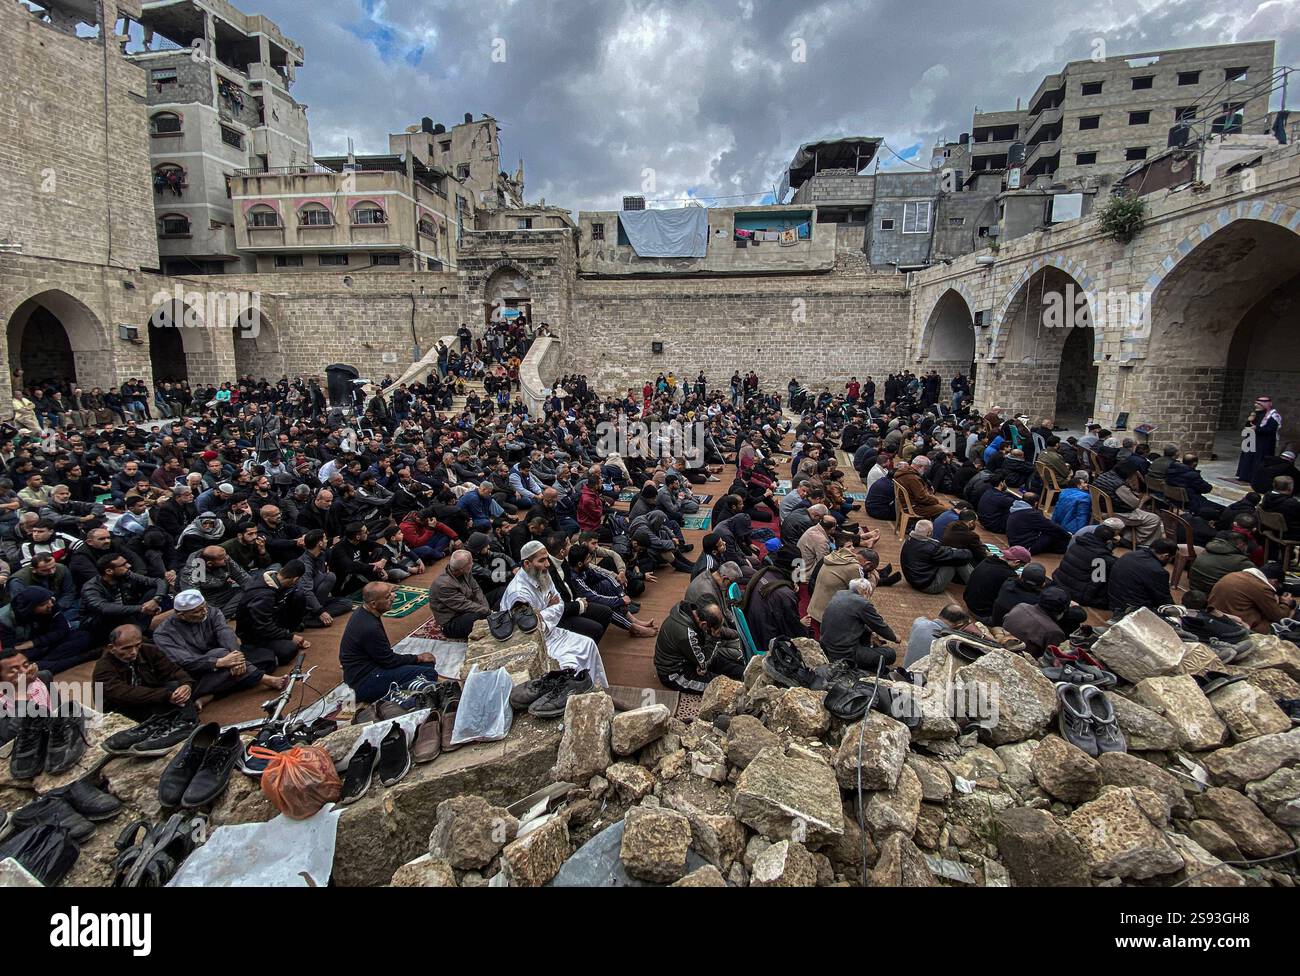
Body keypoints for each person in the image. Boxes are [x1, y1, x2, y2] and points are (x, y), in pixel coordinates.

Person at [498, 541, 609, 686]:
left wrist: (544, 610)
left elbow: (560, 603)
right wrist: (547, 608)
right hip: (536, 640)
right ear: (527, 564)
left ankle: (593, 687)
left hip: (551, 630)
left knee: (588, 644)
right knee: (570, 664)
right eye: (542, 560)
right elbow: (532, 625)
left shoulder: (543, 574)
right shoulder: (519, 593)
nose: (547, 564)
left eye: (547, 559)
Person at [153, 590, 285, 701]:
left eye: (204, 607)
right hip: (196, 671)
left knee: (268, 659)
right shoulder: (163, 634)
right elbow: (184, 660)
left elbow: (225, 633)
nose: (204, 612)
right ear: (181, 615)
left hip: (225, 660)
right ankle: (265, 679)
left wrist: (236, 656)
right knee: (218, 654)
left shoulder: (211, 612)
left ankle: (211, 695)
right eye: (197, 612)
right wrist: (218, 662)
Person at [339, 581, 439, 702]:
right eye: (387, 596)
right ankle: (399, 700)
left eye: (391, 593)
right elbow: (389, 661)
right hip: (365, 681)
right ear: (374, 604)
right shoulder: (370, 627)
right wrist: (418, 658)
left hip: (369, 669)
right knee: (429, 673)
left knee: (426, 665)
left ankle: (402, 690)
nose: (393, 596)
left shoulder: (363, 612)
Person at [93, 624, 196, 721]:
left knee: (177, 689)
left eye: (137, 645)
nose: (133, 652)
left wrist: (186, 685)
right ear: (112, 648)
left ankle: (191, 723)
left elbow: (173, 670)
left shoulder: (149, 651)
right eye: (126, 648)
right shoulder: (103, 668)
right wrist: (165, 695)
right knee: (167, 703)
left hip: (148, 696)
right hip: (119, 707)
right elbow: (124, 694)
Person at [653, 597, 743, 693]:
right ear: (704, 625)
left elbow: (705, 661)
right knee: (724, 686)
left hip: (689, 660)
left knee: (722, 663)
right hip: (675, 674)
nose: (719, 631)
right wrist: (715, 637)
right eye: (717, 629)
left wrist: (701, 664)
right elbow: (704, 663)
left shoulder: (692, 613)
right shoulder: (687, 634)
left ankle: (747, 673)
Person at [0, 585, 96, 674]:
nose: (50, 605)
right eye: (44, 604)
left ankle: (49, 662)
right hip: (27, 653)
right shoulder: (4, 620)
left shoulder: (50, 605)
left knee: (83, 636)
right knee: (31, 665)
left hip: (42, 643)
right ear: (31, 607)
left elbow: (63, 630)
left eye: (50, 600)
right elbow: (11, 652)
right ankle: (75, 659)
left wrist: (34, 643)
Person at [236, 561, 311, 668]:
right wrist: (290, 637)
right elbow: (263, 627)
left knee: (299, 596)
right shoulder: (264, 595)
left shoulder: (273, 577)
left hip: (270, 618)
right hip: (254, 633)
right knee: (289, 650)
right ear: (295, 579)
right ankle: (261, 655)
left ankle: (284, 634)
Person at [819, 577, 898, 670]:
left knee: (865, 631)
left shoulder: (839, 595)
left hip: (827, 648)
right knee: (890, 653)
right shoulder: (862, 603)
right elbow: (880, 626)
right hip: (846, 654)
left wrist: (870, 633)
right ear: (865, 591)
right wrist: (895, 638)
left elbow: (853, 621)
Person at [1208, 564, 1295, 634]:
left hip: (1214, 619)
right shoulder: (1262, 587)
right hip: (1236, 626)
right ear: (1274, 581)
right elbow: (1278, 616)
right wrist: (1286, 604)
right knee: (1288, 617)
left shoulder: (1236, 575)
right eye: (1278, 586)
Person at [428, 550, 491, 639]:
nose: (472, 564)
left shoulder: (465, 572)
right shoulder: (443, 586)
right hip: (453, 620)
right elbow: (464, 605)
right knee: (479, 616)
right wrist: (486, 611)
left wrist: (486, 608)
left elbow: (477, 590)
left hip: (468, 608)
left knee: (499, 592)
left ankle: (492, 618)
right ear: (461, 568)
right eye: (470, 563)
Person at [1052, 523, 1117, 609]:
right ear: (1108, 542)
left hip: (1059, 582)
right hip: (1077, 594)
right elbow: (1096, 583)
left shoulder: (1077, 544)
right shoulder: (1101, 558)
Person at [900, 519, 973, 595]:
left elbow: (939, 552)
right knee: (957, 560)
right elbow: (957, 555)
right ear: (929, 533)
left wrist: (952, 550)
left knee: (952, 555)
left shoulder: (908, 541)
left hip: (914, 580)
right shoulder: (930, 548)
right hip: (928, 585)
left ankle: (974, 582)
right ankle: (975, 583)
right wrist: (968, 552)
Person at [1107, 540, 1177, 614]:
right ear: (1166, 556)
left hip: (1114, 603)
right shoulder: (1158, 571)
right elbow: (1164, 601)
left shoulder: (1130, 554)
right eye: (1171, 558)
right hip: (1133, 611)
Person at [1003, 587, 1071, 656]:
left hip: (1000, 647)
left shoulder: (1021, 606)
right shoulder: (1055, 632)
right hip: (1022, 661)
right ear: (1063, 611)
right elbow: (1054, 658)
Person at [904, 604, 974, 667]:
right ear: (959, 624)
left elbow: (922, 618)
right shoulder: (948, 643)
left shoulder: (919, 623)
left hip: (905, 672)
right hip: (921, 679)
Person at [1237, 396, 1281, 483]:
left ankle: (1255, 477)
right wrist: (1249, 421)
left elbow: (1271, 429)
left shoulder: (1273, 416)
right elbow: (1250, 426)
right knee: (1248, 457)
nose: (1256, 405)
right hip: (1252, 440)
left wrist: (1256, 429)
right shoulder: (1257, 414)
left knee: (1259, 459)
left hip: (1264, 442)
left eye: (1258, 404)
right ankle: (1245, 476)